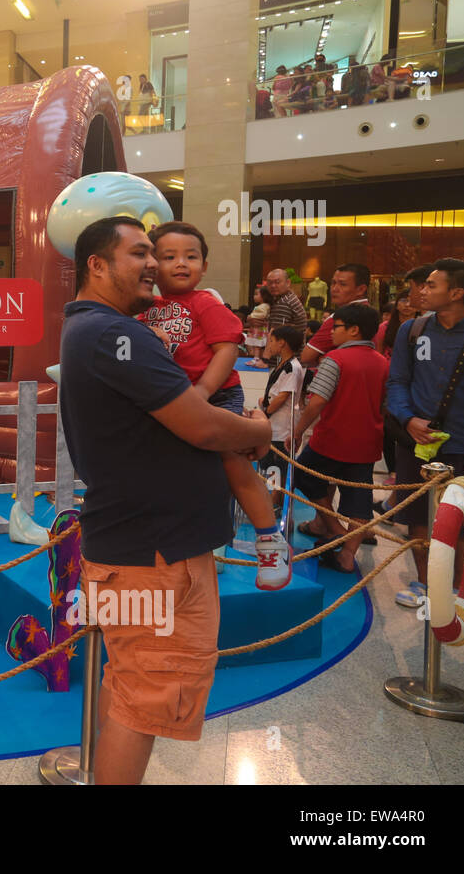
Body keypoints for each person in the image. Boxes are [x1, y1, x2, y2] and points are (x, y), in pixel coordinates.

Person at [60, 216, 271, 784]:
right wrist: (259, 431)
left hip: (135, 551)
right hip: (154, 560)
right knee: (148, 695)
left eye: (155, 252)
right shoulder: (114, 334)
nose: (154, 263)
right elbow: (202, 426)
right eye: (138, 254)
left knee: (130, 684)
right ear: (96, 266)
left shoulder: (98, 329)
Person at [141, 221, 291, 590]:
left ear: (204, 266)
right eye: (169, 256)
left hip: (215, 394)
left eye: (191, 257)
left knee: (232, 461)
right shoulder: (147, 308)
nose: (181, 263)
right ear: (151, 264)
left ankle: (270, 540)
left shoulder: (205, 302)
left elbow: (227, 350)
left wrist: (205, 391)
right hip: (176, 400)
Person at [386, 259, 464, 609]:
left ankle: (452, 590)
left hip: (463, 444)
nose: (422, 291)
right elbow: (397, 382)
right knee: (417, 519)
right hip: (417, 443)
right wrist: (408, 420)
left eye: (431, 286)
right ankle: (425, 583)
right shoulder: (413, 330)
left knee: (456, 519)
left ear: (457, 292)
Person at [292, 305, 388, 573]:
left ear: (353, 330)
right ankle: (347, 554)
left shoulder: (335, 359)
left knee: (305, 476)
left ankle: (335, 530)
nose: (331, 332)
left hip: (332, 439)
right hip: (367, 443)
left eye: (336, 327)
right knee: (358, 498)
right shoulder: (382, 362)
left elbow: (317, 402)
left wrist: (298, 430)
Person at [259, 325, 306, 503]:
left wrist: (266, 411)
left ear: (282, 343)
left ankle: (276, 500)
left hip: (282, 425)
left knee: (278, 464)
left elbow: (284, 395)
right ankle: (273, 497)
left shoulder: (292, 367)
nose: (269, 344)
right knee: (271, 463)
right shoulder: (283, 364)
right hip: (274, 423)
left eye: (272, 340)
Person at [301, 263, 370, 369]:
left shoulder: (339, 318)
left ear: (361, 289)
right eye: (333, 283)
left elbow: (305, 357)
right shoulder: (371, 312)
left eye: (342, 284)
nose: (334, 289)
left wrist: (325, 359)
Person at [265, 267, 308, 341]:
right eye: (270, 283)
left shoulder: (284, 302)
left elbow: (276, 336)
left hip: (288, 350)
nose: (273, 286)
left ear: (288, 283)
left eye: (277, 282)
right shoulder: (287, 297)